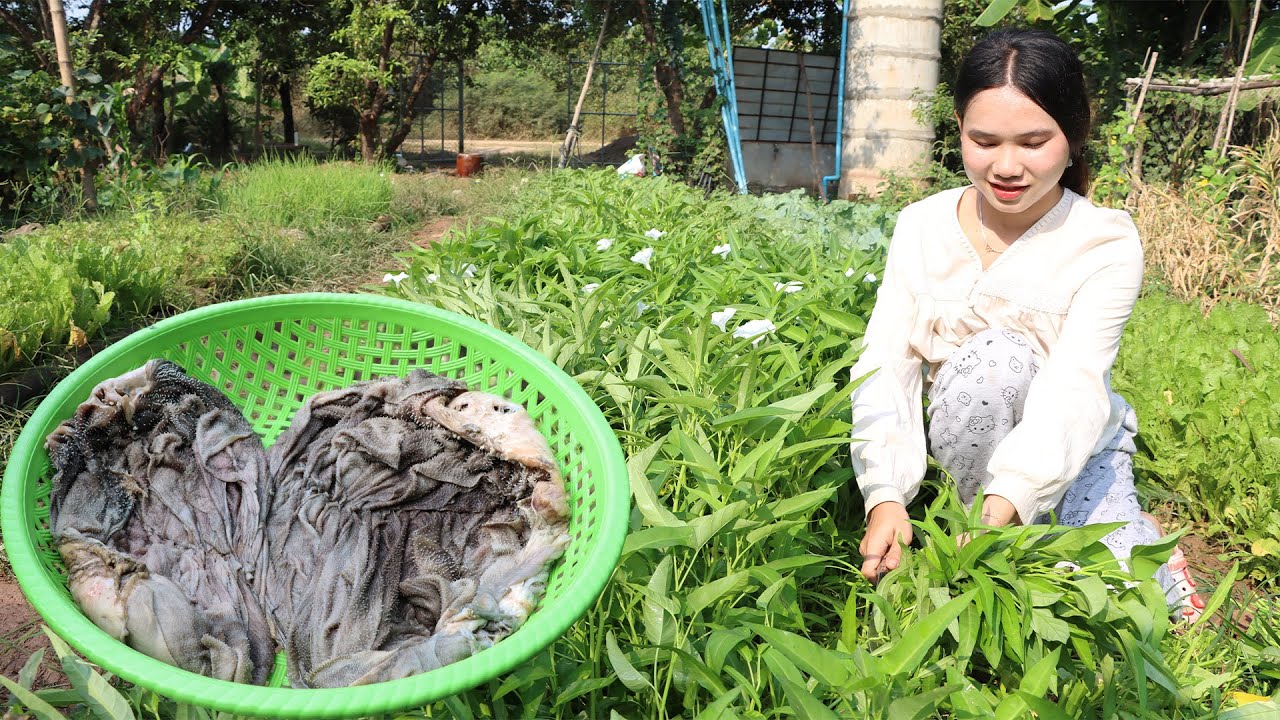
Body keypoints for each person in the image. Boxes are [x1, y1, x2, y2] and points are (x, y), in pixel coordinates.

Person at [848, 28, 1205, 621]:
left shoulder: (1103, 242)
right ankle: (974, 519)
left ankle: (1134, 543)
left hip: (1072, 442)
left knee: (1118, 607)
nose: (1006, 167)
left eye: (1034, 142)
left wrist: (1006, 505)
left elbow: (1074, 388)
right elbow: (887, 362)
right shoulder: (921, 225)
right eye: (983, 140)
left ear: (1074, 137)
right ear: (958, 130)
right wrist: (884, 495)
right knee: (994, 365)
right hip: (965, 439)